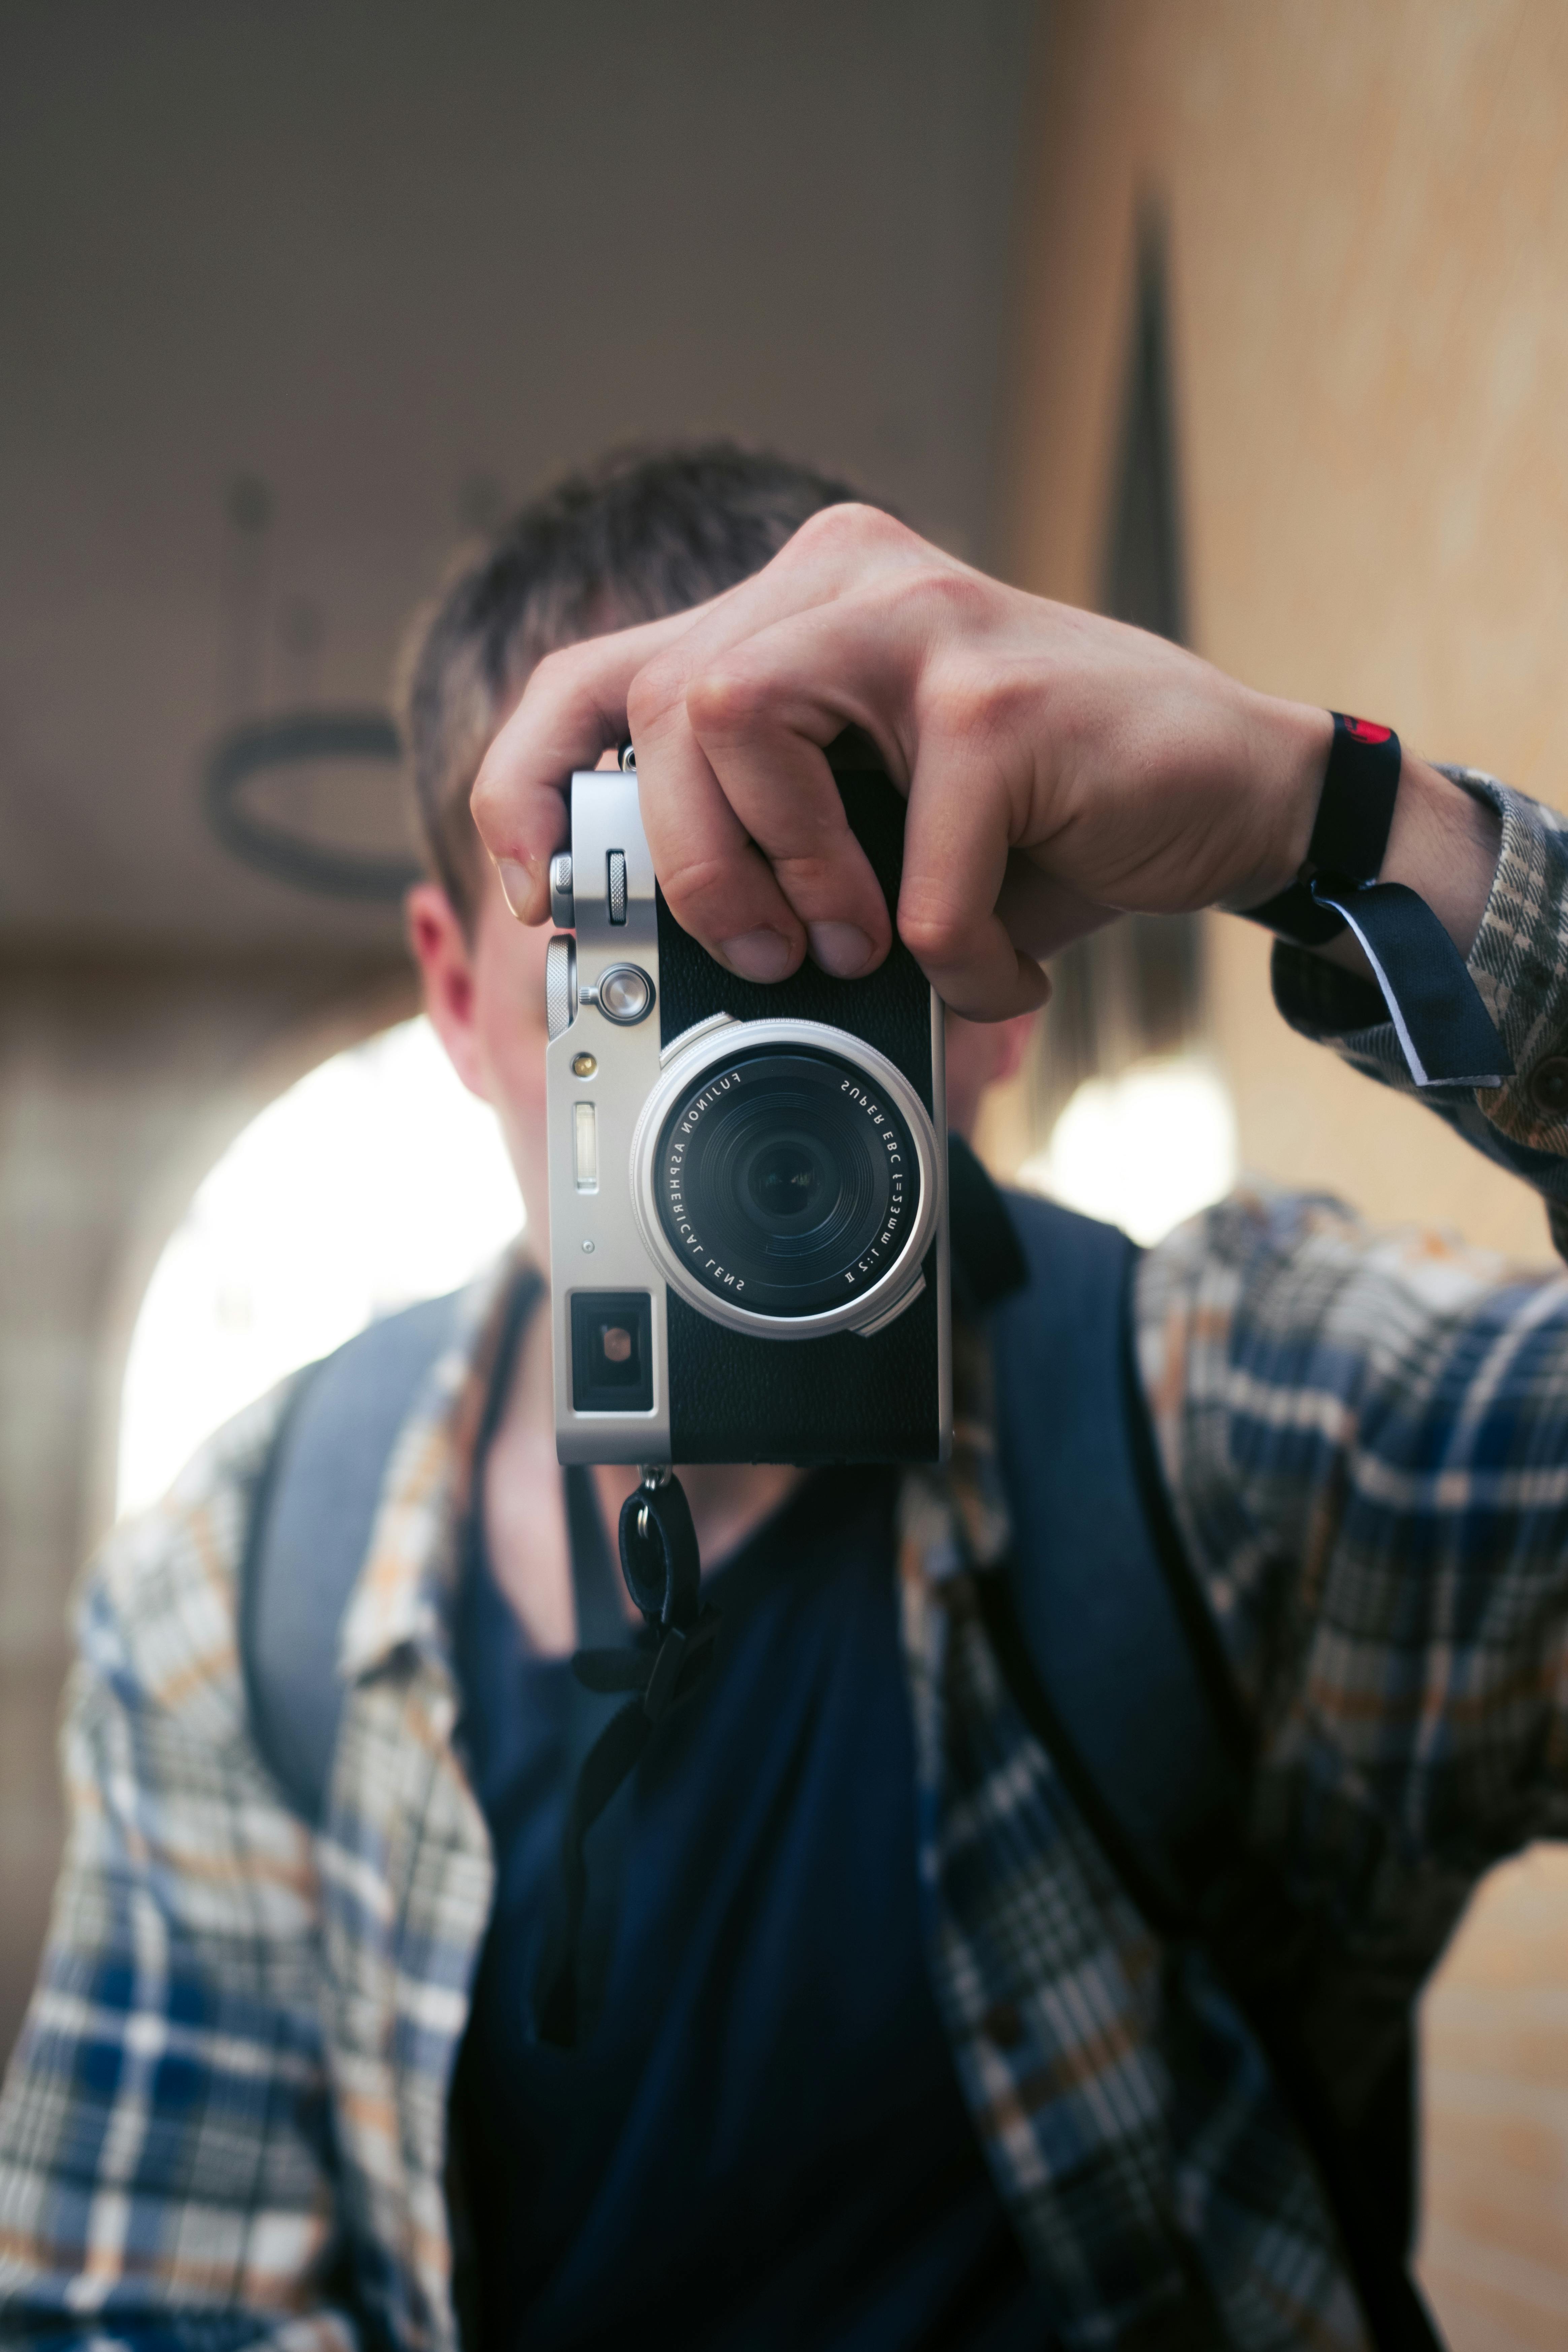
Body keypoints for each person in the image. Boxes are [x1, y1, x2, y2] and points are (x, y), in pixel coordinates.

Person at [1, 442, 1565, 2352]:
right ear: (457, 1000)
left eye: (823, 942)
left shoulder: (1217, 1414)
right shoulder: (243, 1588)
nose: (736, 1086)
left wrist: (1327, 816)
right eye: (636, 956)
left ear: (994, 977)